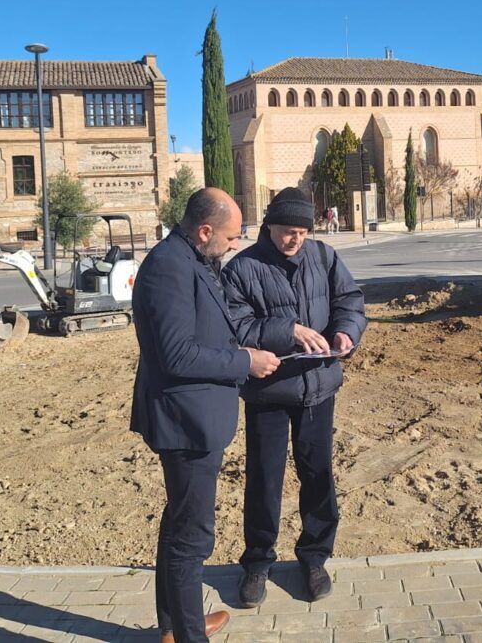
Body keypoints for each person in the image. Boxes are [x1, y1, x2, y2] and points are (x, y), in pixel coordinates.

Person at [130, 188, 281, 643]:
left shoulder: (194, 258)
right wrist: (243, 362)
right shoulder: (168, 268)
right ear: (204, 230)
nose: (235, 245)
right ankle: (188, 635)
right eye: (231, 237)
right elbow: (177, 354)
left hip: (196, 417)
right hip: (185, 423)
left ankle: (178, 624)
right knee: (191, 536)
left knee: (179, 523)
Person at [221, 187, 367, 608]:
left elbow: (350, 302)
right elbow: (235, 325)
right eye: (288, 231)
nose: (295, 240)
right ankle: (257, 564)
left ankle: (315, 557)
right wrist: (287, 329)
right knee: (264, 479)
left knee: (318, 473)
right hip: (268, 390)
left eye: (302, 232)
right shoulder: (243, 267)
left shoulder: (324, 257)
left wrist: (346, 331)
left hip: (318, 387)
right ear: (269, 226)